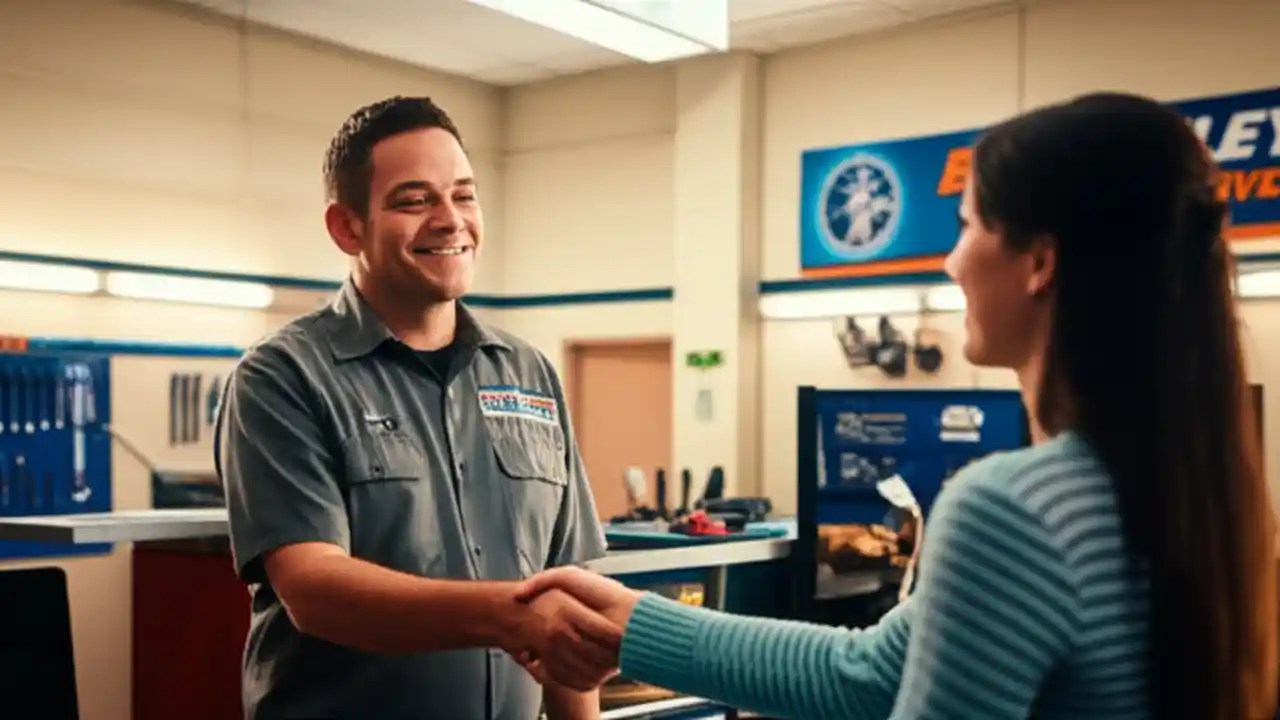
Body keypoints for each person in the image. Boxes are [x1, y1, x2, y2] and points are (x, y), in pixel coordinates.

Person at [515, 92, 1280, 719]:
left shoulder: (1012, 511)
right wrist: (635, 625)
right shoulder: (1201, 495)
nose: (950, 261)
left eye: (970, 225)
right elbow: (874, 671)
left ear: (1039, 262)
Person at [214, 96, 614, 720]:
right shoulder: (283, 376)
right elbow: (316, 591)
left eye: (464, 194)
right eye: (414, 200)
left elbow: (567, 596)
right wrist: (514, 618)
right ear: (348, 228)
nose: (451, 220)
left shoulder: (529, 374)